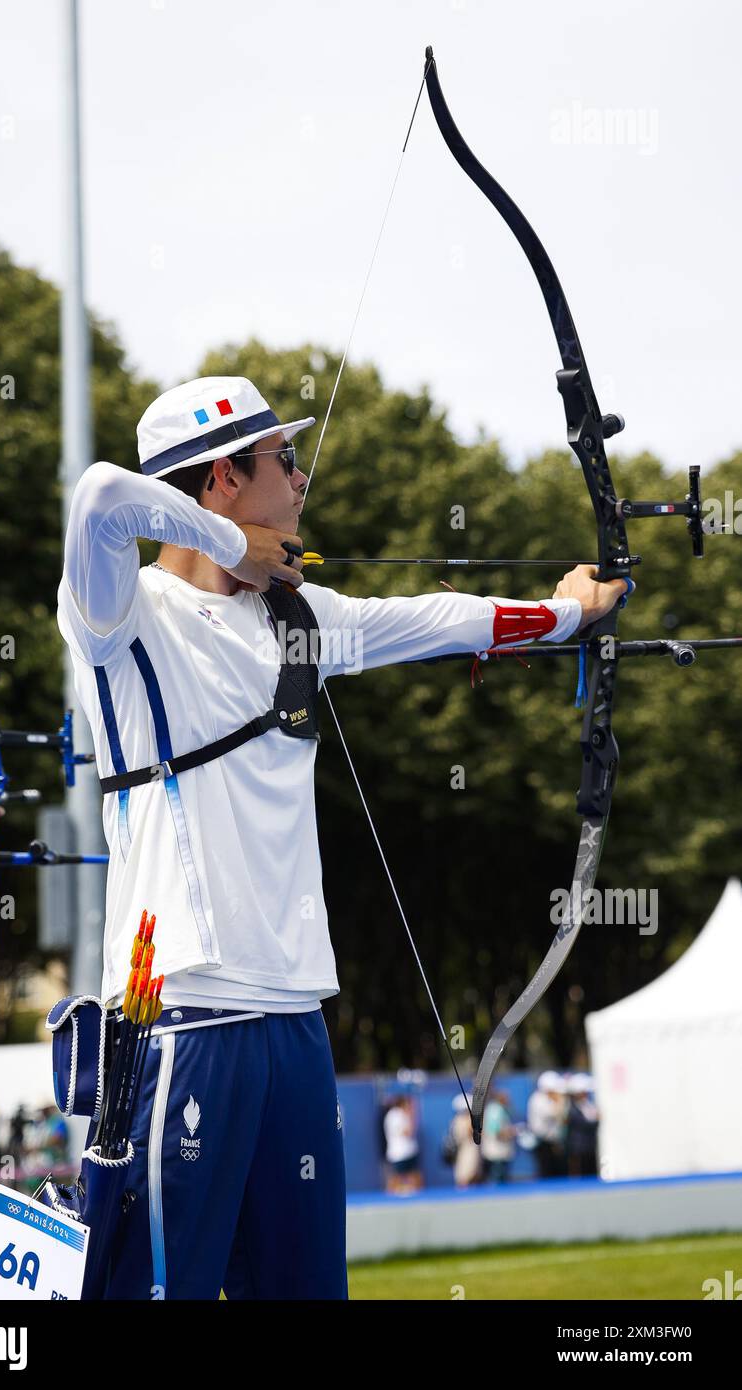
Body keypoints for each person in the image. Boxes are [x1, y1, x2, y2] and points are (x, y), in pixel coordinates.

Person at [56, 374, 628, 1299]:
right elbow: (100, 498)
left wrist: (569, 613)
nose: (301, 481)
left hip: (294, 1021)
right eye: (285, 461)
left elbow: (436, 619)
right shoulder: (121, 616)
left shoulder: (298, 618)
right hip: (188, 1012)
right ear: (221, 480)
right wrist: (230, 544)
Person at [527, 1070, 568, 1179]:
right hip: (544, 1143)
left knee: (558, 1173)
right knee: (547, 1173)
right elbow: (553, 1113)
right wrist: (560, 1100)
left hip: (552, 1142)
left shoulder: (547, 1099)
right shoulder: (538, 1099)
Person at [382, 1095, 422, 1194]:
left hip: (402, 1151)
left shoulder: (391, 1114)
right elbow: (408, 1132)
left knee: (412, 1176)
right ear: (404, 1104)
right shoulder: (399, 1115)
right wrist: (412, 1116)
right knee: (399, 1178)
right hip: (401, 1152)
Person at [565, 1073, 599, 1176]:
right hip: (578, 1147)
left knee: (590, 1172)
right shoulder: (571, 1106)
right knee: (581, 1174)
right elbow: (582, 1123)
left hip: (588, 1145)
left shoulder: (586, 1104)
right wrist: (595, 1120)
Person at [481, 1088, 517, 1184]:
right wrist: (512, 1132)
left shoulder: (498, 1109)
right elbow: (496, 1131)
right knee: (497, 1181)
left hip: (499, 1153)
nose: (509, 1100)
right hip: (496, 1153)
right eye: (506, 1097)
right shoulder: (495, 1110)